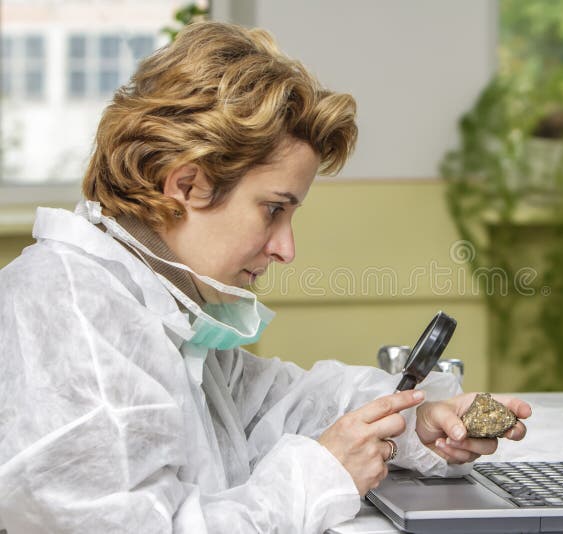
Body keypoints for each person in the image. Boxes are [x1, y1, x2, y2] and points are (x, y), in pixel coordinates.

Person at [0, 22, 531, 533]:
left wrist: (418, 422)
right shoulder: (71, 319)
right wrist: (316, 480)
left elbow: (277, 407)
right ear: (185, 184)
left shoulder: (154, 305)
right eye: (274, 209)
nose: (286, 249)